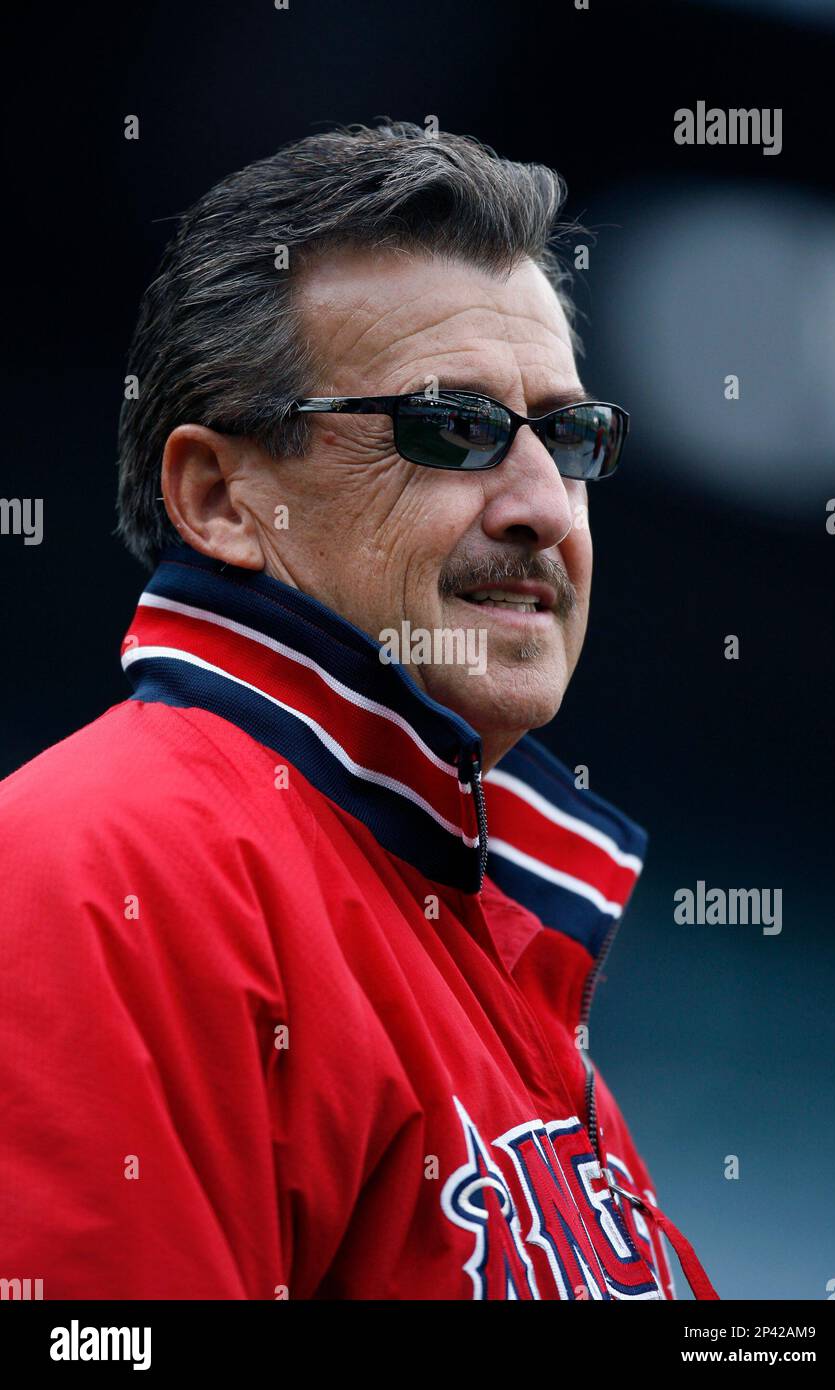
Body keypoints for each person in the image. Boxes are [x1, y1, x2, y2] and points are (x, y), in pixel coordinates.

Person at [0, 121, 716, 1300]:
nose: (542, 504)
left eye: (569, 436)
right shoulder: (107, 867)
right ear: (222, 497)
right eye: (452, 428)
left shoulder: (475, 910)